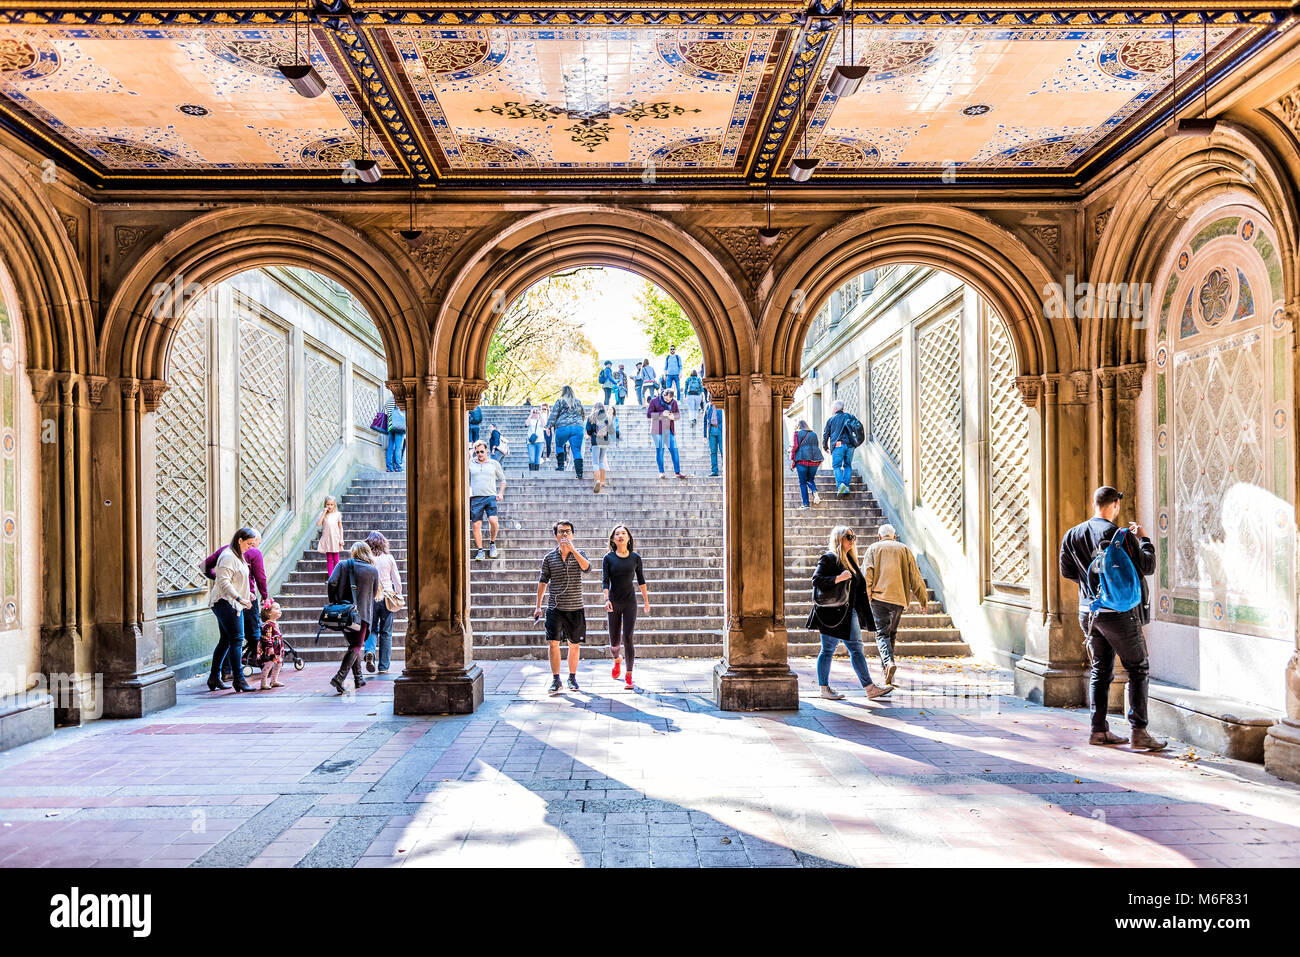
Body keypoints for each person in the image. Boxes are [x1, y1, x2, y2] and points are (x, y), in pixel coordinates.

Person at [1059, 486, 1166, 751]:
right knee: (1138, 668)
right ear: (1115, 505)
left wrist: (1092, 586)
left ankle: (1098, 731)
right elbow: (1148, 566)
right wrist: (1144, 539)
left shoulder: (1072, 534)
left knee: (1100, 669)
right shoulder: (1120, 535)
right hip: (1118, 614)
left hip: (1089, 611)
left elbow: (1067, 571)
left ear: (1094, 503)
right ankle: (1139, 732)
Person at [807, 525, 891, 700]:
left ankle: (868, 687)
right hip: (832, 614)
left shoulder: (851, 561)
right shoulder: (830, 558)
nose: (852, 540)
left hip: (848, 612)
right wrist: (838, 578)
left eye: (853, 537)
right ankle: (826, 688)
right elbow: (816, 579)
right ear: (839, 539)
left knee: (855, 649)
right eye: (848, 537)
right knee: (829, 649)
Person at [862, 524, 928, 687]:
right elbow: (916, 577)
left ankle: (888, 662)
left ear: (879, 536)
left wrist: (866, 597)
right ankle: (888, 673)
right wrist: (923, 600)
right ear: (894, 536)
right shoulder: (904, 549)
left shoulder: (873, 548)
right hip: (898, 600)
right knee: (891, 634)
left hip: (879, 599)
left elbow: (867, 575)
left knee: (881, 634)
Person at [534, 520, 591, 696]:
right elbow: (543, 581)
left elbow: (587, 568)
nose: (564, 535)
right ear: (555, 536)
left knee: (574, 644)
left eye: (567, 531)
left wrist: (572, 549)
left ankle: (572, 677)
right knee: (553, 643)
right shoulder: (549, 558)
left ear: (573, 534)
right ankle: (556, 679)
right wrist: (538, 606)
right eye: (561, 532)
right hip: (555, 607)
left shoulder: (579, 553)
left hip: (575, 607)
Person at [202, 531, 267, 682]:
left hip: (239, 599)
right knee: (239, 638)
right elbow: (227, 582)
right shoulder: (229, 555)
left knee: (226, 639)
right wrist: (245, 596)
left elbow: (237, 579)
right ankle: (241, 678)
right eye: (250, 543)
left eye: (253, 544)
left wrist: (247, 594)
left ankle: (215, 677)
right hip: (229, 601)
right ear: (240, 540)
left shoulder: (239, 555)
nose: (252, 547)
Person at [327, 541, 381, 695]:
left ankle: (359, 678)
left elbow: (331, 582)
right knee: (356, 645)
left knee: (353, 644)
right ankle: (339, 677)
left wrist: (335, 601)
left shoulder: (343, 565)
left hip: (343, 613)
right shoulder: (372, 570)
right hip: (362, 613)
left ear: (354, 552)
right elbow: (374, 592)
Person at [603, 524, 649, 691]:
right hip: (614, 602)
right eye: (617, 534)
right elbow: (604, 580)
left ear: (628, 537)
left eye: (623, 533)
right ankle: (617, 660)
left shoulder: (635, 558)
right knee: (614, 643)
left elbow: (641, 580)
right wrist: (606, 599)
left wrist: (646, 600)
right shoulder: (608, 558)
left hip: (630, 602)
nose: (620, 536)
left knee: (628, 637)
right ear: (613, 539)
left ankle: (629, 675)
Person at [364, 531, 402, 674]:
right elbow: (396, 579)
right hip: (387, 597)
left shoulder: (366, 559)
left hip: (370, 598)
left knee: (371, 628)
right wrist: (398, 593)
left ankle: (370, 652)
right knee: (386, 632)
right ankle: (384, 666)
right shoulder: (389, 558)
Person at [468, 440, 506, 560]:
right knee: (476, 525)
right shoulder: (470, 463)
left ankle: (492, 543)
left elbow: (503, 480)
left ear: (487, 451)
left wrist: (501, 493)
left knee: (493, 521)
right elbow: (464, 479)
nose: (479, 454)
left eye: (482, 452)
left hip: (490, 496)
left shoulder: (494, 464)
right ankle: (480, 551)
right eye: (477, 452)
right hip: (475, 498)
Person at [547, 385, 586, 478]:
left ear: (563, 392)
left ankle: (561, 466)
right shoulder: (578, 402)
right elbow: (583, 414)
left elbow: (553, 414)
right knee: (576, 450)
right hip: (577, 427)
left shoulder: (560, 401)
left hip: (563, 427)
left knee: (560, 446)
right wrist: (579, 422)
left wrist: (548, 426)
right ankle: (579, 473)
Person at [647, 387, 685, 479]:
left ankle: (677, 472)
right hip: (657, 430)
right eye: (666, 399)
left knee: (674, 450)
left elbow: (678, 415)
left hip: (669, 430)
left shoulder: (674, 402)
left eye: (670, 400)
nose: (668, 401)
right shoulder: (654, 401)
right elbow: (649, 414)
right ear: (663, 395)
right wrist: (661, 414)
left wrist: (673, 417)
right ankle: (661, 472)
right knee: (660, 450)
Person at [822, 399, 858, 496]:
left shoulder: (831, 420)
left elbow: (825, 435)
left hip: (838, 445)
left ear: (835, 409)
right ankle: (846, 487)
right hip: (850, 445)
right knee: (847, 465)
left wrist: (825, 446)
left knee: (836, 466)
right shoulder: (850, 417)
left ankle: (841, 484)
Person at [790, 418, 824, 509]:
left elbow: (795, 447)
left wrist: (793, 459)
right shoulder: (814, 434)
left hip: (801, 460)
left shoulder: (797, 433)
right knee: (810, 479)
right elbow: (816, 446)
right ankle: (814, 491)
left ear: (798, 426)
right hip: (815, 460)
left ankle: (806, 504)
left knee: (802, 482)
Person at [585, 402, 616, 494]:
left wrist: (592, 435)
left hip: (595, 440)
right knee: (601, 461)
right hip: (605, 441)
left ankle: (597, 481)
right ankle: (602, 481)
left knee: (595, 462)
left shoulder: (591, 416)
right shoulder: (607, 416)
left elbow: (588, 430)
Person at [256, 600, 286, 691]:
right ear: (269, 613)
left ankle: (274, 681)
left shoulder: (275, 623)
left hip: (278, 648)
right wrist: (270, 649)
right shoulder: (268, 625)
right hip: (271, 649)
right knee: (268, 665)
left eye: (280, 609)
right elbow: (266, 638)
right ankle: (263, 683)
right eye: (276, 609)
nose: (279, 610)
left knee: (278, 664)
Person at [317, 495, 344, 576]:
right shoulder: (323, 514)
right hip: (327, 539)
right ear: (325, 504)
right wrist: (324, 513)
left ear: (334, 505)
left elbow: (340, 527)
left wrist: (341, 539)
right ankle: (331, 577)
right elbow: (318, 524)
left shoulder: (337, 514)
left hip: (335, 538)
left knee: (336, 559)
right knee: (329, 559)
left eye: (331, 504)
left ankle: (337, 576)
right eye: (328, 504)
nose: (330, 506)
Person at [703, 394, 723, 477]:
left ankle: (725, 470)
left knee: (723, 451)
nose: (711, 401)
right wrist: (704, 435)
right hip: (711, 430)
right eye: (710, 399)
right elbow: (705, 421)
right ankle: (714, 471)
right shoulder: (707, 406)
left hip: (720, 430)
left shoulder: (721, 405)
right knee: (713, 452)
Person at [386, 398, 407, 472]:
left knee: (390, 446)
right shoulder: (401, 401)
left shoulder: (388, 401)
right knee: (398, 447)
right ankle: (398, 466)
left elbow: (388, 414)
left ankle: (389, 467)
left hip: (390, 425)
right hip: (399, 426)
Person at [525, 407, 544, 471]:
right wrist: (530, 414)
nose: (535, 413)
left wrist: (540, 414)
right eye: (534, 412)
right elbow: (526, 424)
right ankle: (532, 473)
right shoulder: (530, 420)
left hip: (540, 441)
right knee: (532, 459)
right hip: (531, 442)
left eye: (536, 412)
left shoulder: (540, 420)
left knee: (537, 459)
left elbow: (544, 425)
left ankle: (536, 474)